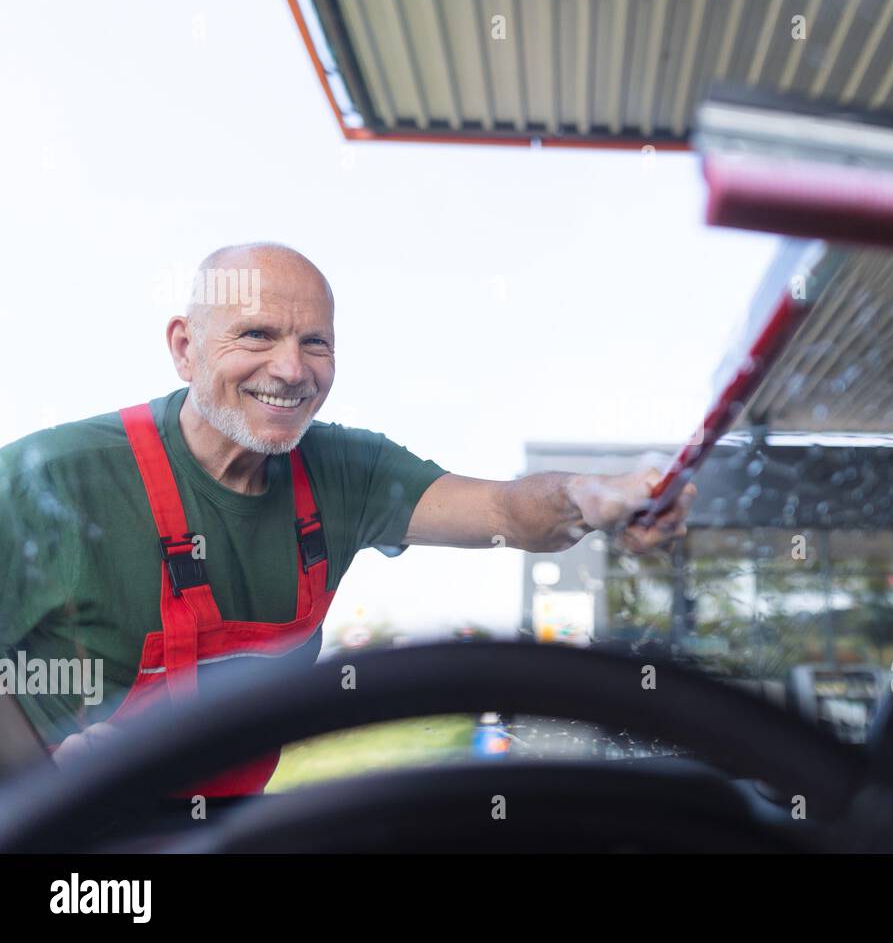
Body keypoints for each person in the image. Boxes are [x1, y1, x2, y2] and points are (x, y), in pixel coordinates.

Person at [0, 242, 695, 792]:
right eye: (257, 335)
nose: (291, 369)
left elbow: (505, 512)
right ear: (184, 347)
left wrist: (590, 495)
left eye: (316, 343)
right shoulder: (49, 479)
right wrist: (45, 774)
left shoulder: (344, 472)